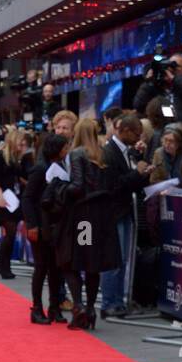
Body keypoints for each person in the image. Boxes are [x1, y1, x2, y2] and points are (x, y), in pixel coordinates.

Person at [56, 117, 119, 331]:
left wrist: (59, 189)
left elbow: (77, 185)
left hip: (84, 215)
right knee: (94, 263)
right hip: (103, 216)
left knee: (74, 260)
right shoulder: (105, 154)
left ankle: (80, 306)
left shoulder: (77, 154)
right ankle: (90, 308)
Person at [99, 111, 151, 318]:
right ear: (126, 131)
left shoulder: (125, 151)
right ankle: (110, 302)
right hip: (114, 212)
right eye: (137, 133)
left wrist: (141, 173)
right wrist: (137, 173)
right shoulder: (109, 152)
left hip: (123, 211)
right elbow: (114, 186)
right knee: (114, 260)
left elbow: (128, 182)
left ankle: (117, 301)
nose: (139, 137)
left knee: (121, 260)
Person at [22, 131, 69, 325]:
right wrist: (32, 225)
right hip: (41, 226)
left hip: (56, 225)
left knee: (56, 269)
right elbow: (27, 198)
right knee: (41, 268)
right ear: (56, 149)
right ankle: (36, 308)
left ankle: (54, 307)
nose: (67, 150)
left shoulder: (61, 166)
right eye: (65, 147)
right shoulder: (40, 169)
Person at [0, 126, 25, 278]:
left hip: (14, 199)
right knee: (9, 233)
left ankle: (3, 264)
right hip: (2, 198)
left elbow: (19, 177)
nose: (23, 146)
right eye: (21, 143)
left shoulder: (16, 158)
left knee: (11, 233)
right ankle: (2, 265)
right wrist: (0, 197)